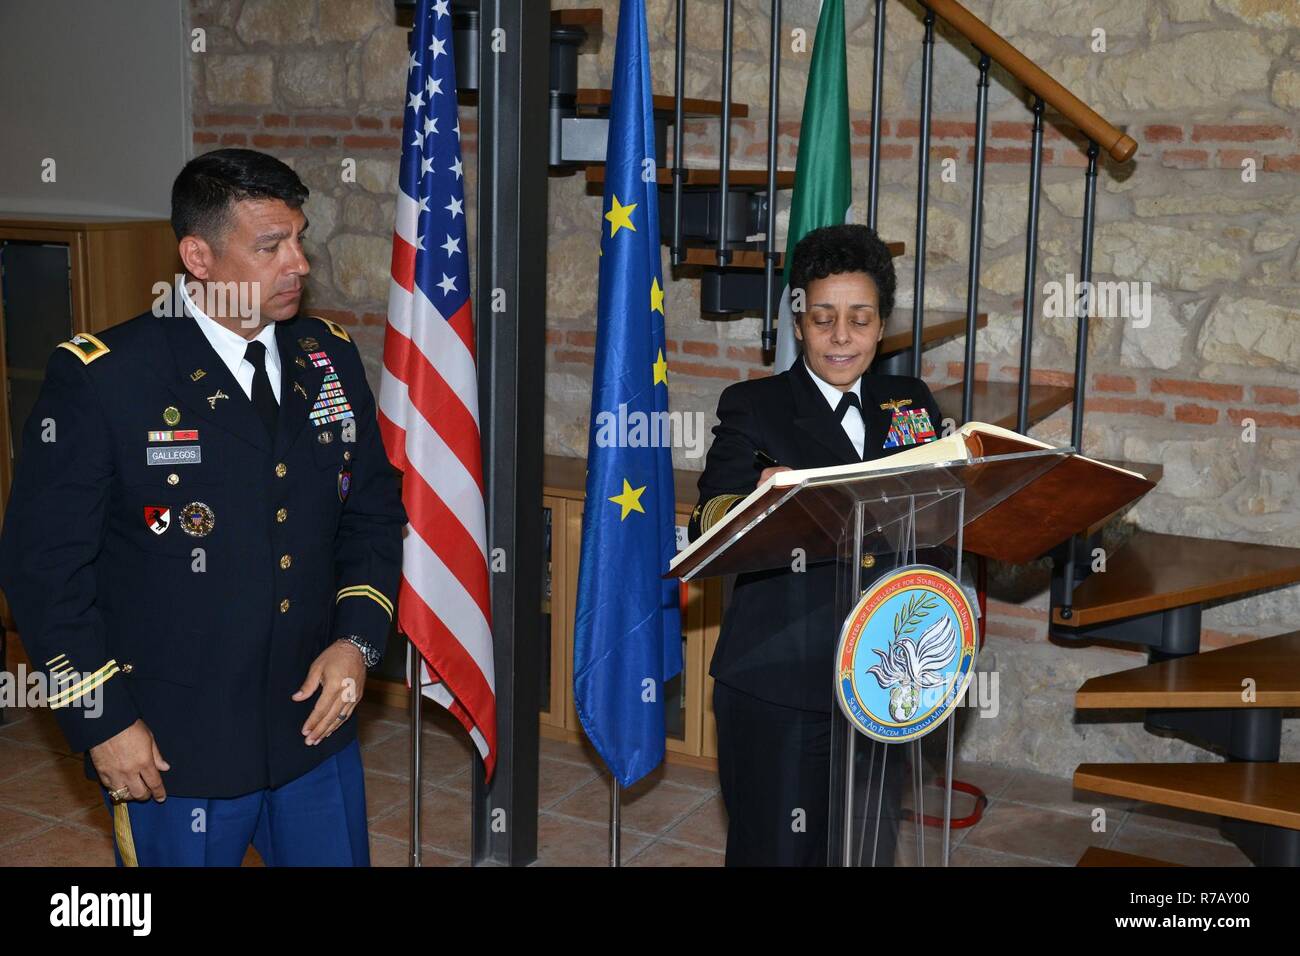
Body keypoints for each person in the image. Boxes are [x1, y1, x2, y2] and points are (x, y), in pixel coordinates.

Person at [0, 148, 406, 866]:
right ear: (200, 256)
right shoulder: (108, 378)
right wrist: (102, 722)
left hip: (311, 732)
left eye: (300, 238)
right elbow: (44, 573)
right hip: (170, 746)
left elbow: (371, 511)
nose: (300, 265)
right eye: (271, 246)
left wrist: (357, 642)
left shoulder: (327, 357)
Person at [688, 223, 945, 866]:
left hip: (882, 676)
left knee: (863, 848)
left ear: (881, 326)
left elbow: (937, 513)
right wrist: (759, 502)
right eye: (824, 317)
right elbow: (707, 522)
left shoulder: (908, 402)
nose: (841, 336)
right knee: (774, 851)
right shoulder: (754, 405)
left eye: (859, 319)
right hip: (780, 676)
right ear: (799, 323)